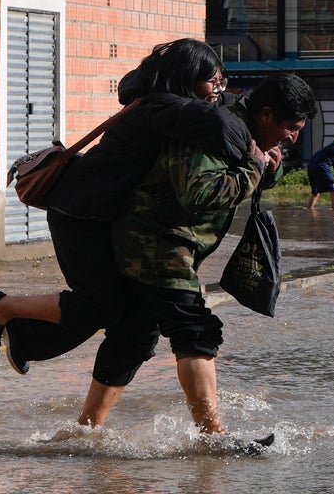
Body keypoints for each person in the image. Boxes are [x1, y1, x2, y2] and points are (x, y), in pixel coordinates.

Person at [0, 39, 250, 425]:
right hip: (79, 216)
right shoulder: (162, 108)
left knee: (128, 324)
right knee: (101, 305)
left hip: (97, 216)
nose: (217, 92)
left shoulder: (161, 104)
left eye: (221, 83)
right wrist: (254, 155)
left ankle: (29, 343)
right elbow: (221, 126)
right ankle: (1, 306)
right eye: (213, 82)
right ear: (188, 78)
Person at [102, 72, 316, 433]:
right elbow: (198, 195)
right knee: (196, 330)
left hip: (157, 241)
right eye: (291, 128)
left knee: (133, 336)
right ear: (265, 115)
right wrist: (253, 166)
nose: (294, 137)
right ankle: (212, 436)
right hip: (155, 242)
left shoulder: (240, 130)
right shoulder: (215, 131)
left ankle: (85, 429)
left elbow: (245, 170)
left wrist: (267, 165)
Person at [306, 136, 334, 212]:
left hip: (311, 166)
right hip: (321, 164)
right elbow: (332, 150)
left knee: (316, 192)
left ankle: (309, 212)